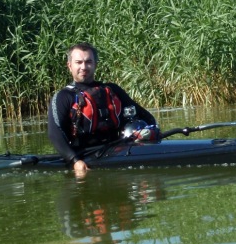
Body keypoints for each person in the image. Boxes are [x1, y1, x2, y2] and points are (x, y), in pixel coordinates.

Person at [48, 42, 160, 177]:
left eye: (88, 62)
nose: (84, 67)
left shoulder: (112, 90)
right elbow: (54, 134)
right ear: (69, 65)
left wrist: (151, 133)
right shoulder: (63, 97)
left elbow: (146, 117)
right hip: (84, 155)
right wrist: (75, 161)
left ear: (95, 64)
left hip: (118, 150)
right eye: (79, 62)